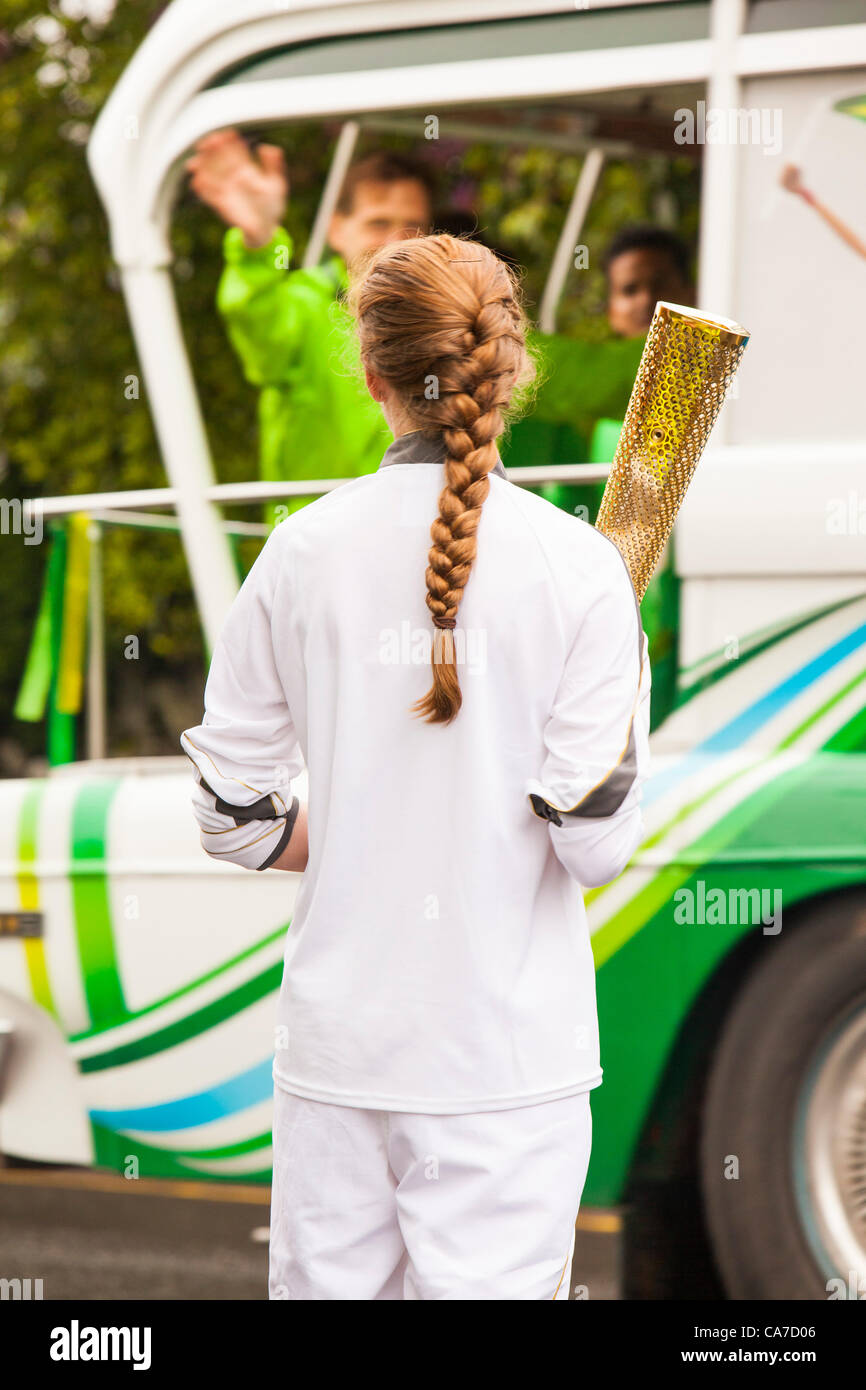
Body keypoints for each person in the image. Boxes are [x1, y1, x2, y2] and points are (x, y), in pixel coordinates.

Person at [179, 233, 651, 1300]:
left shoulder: (298, 551)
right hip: (502, 1065)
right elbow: (593, 842)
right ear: (511, 366)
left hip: (338, 1058)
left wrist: (351, 837)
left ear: (373, 374)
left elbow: (232, 812)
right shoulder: (580, 569)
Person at [186, 131, 435, 525]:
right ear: (337, 229)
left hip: (419, 540)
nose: (395, 241)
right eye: (379, 222)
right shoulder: (303, 306)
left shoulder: (442, 315)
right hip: (319, 546)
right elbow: (254, 315)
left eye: (413, 226)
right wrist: (257, 240)